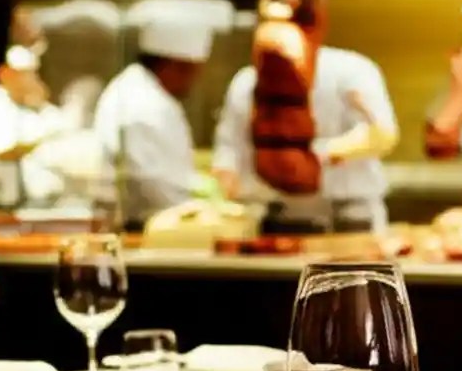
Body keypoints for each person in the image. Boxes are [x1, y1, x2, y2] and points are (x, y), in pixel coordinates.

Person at [212, 44, 399, 235]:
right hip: (276, 215)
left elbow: (383, 133)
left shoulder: (351, 71)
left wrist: (324, 153)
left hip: (350, 214)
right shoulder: (247, 83)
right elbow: (228, 150)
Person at [94, 19, 213, 229]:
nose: (194, 80)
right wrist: (198, 210)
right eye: (192, 71)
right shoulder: (138, 101)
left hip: (159, 221)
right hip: (139, 226)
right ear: (174, 65)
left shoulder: (150, 94)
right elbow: (149, 184)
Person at [0, 45, 69, 209]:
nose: (27, 80)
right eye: (21, 75)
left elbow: (62, 133)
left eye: (31, 74)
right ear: (3, 73)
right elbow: (0, 150)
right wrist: (36, 141)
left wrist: (40, 106)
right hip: (6, 206)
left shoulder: (42, 109)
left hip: (49, 202)